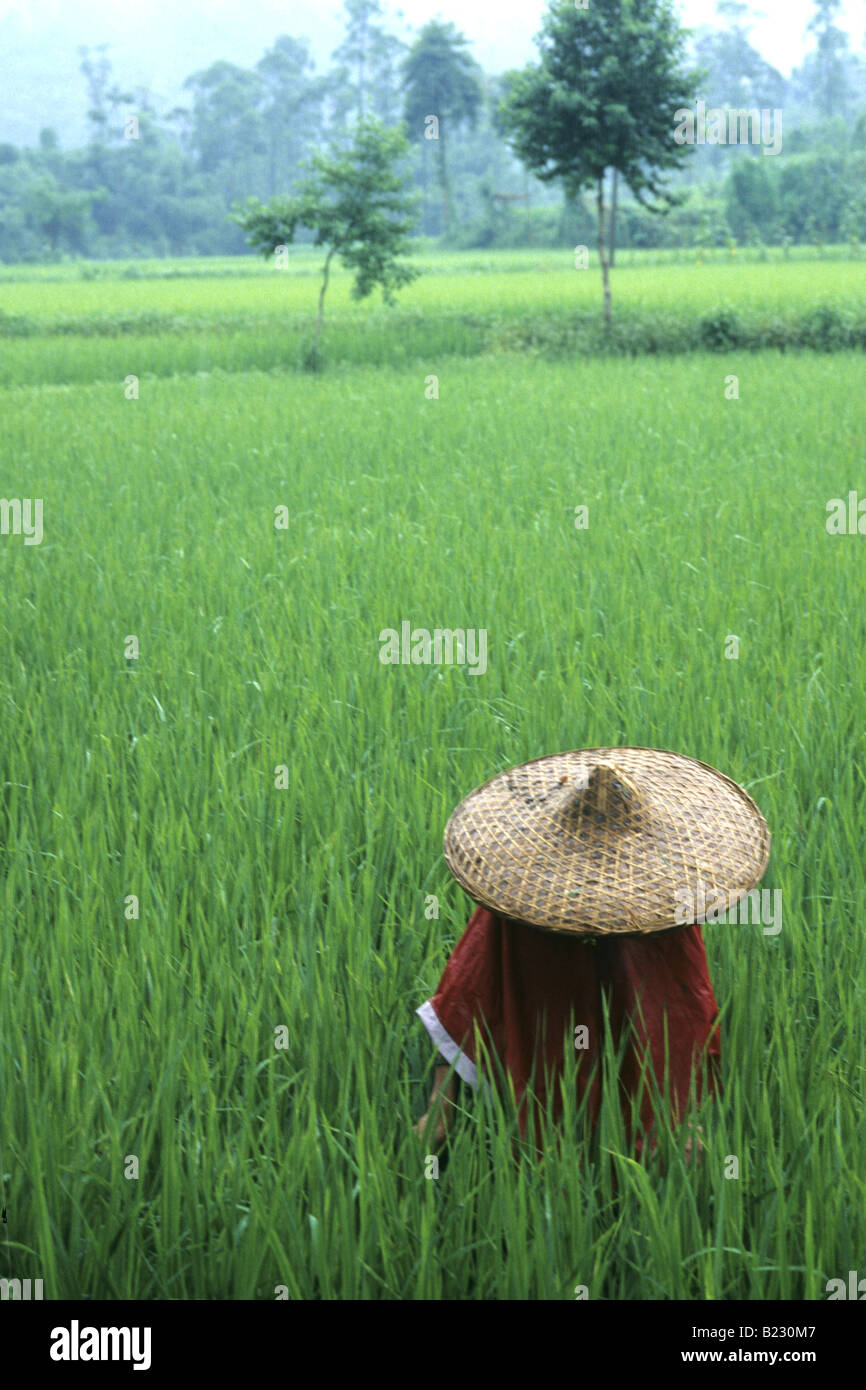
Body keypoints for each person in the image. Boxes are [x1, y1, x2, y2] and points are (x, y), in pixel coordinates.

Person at [415, 748, 771, 1156]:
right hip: (547, 991)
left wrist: (678, 1113)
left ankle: (672, 1118)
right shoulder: (515, 906)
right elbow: (468, 998)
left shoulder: (664, 914)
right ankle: (443, 1109)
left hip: (593, 997)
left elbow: (679, 1008)